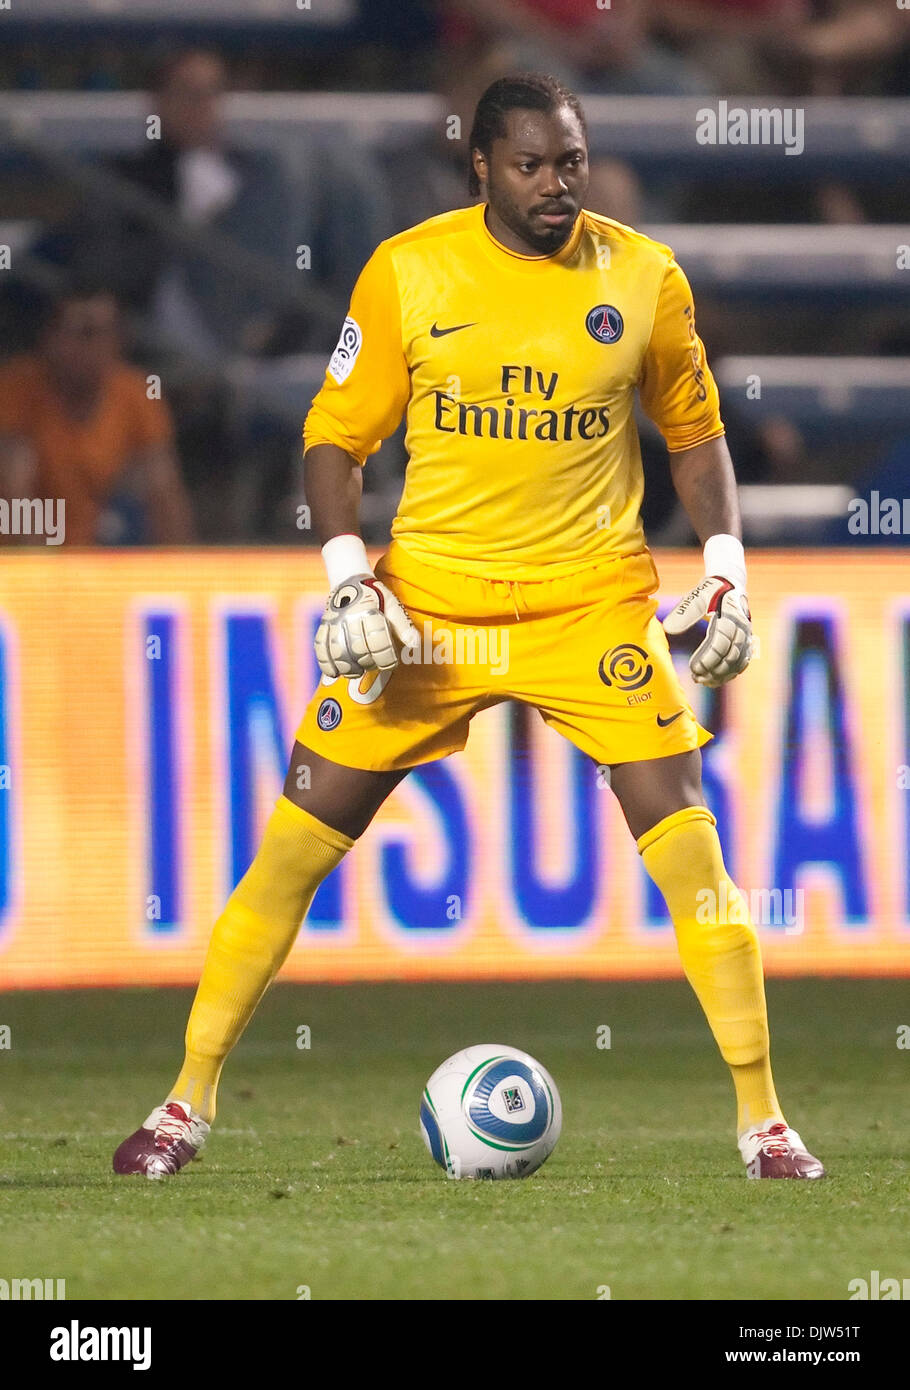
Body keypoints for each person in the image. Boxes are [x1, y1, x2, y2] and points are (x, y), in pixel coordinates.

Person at [114, 73, 824, 1182]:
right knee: (292, 848)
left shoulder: (642, 277)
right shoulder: (411, 268)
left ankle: (764, 1121)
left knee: (690, 846)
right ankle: (184, 1104)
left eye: (571, 164)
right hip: (429, 610)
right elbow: (333, 440)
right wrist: (350, 578)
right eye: (533, 165)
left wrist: (726, 569)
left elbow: (694, 432)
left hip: (588, 603)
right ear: (481, 167)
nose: (556, 186)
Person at [0, 286, 192, 546]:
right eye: (83, 333)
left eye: (106, 333)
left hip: (99, 555)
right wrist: (47, 572)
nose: (95, 346)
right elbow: (13, 490)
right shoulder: (16, 388)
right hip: (22, 560)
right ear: (51, 337)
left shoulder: (137, 392)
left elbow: (165, 490)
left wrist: (180, 568)